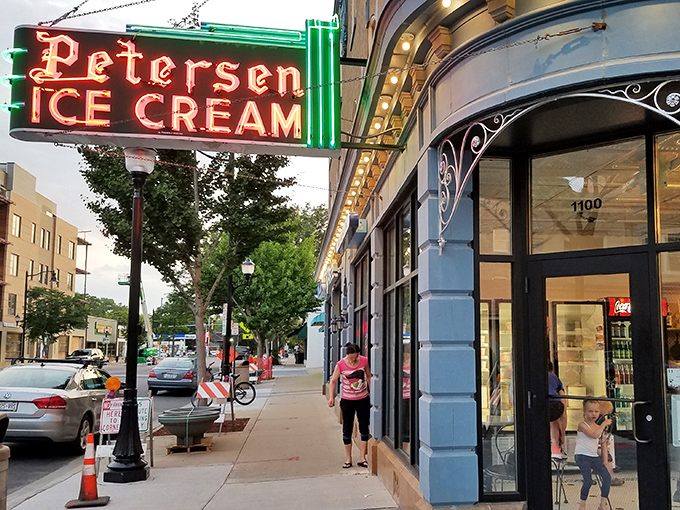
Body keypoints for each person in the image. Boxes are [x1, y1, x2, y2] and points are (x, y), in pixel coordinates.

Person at [328, 343, 372, 469]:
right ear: (347, 355)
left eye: (356, 357)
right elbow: (333, 381)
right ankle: (348, 458)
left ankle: (362, 457)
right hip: (347, 400)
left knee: (364, 427)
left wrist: (371, 392)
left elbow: (368, 376)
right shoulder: (340, 364)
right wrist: (331, 397)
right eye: (352, 357)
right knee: (347, 429)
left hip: (363, 398)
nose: (354, 360)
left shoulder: (363, 361)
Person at [575, 399, 612, 510]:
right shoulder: (582, 424)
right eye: (590, 411)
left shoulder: (597, 426)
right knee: (588, 481)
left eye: (596, 412)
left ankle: (603, 504)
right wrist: (604, 424)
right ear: (585, 412)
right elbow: (594, 435)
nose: (593, 414)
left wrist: (605, 461)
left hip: (594, 456)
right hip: (582, 455)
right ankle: (582, 505)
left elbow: (603, 442)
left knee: (607, 478)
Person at [548, 361, 567, 458]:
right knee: (554, 420)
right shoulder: (554, 377)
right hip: (555, 404)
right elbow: (563, 397)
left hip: (539, 403)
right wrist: (562, 433)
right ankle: (555, 446)